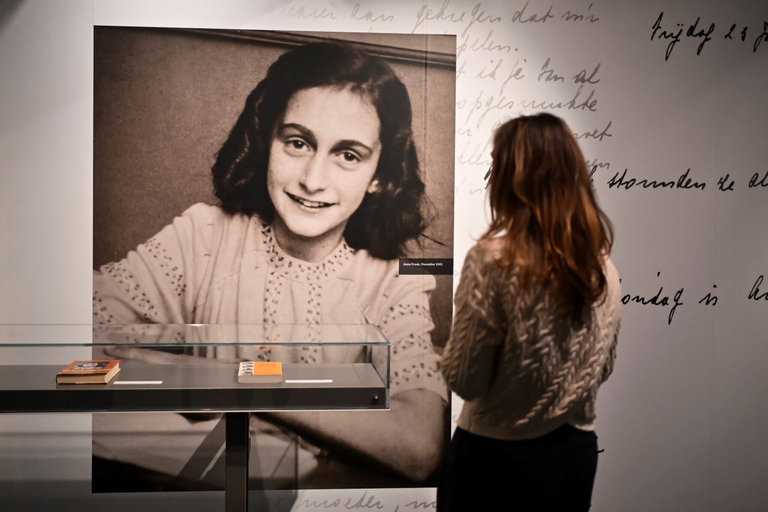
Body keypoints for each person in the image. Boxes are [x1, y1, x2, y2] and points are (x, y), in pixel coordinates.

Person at [92, 42, 448, 487]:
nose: (313, 180)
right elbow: (77, 336)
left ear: (380, 176)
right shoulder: (203, 235)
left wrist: (238, 381)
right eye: (297, 142)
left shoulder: (392, 281)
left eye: (348, 155)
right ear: (267, 142)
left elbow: (420, 447)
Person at [438, 113, 621, 511]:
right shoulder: (602, 268)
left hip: (494, 460)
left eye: (496, 164)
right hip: (573, 457)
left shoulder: (493, 261)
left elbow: (465, 379)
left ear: (514, 177)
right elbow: (602, 369)